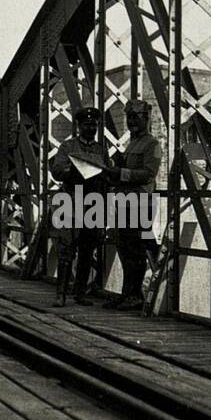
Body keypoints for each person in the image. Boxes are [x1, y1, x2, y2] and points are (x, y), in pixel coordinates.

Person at [102, 97, 162, 311]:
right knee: (124, 247)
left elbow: (148, 174)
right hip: (125, 202)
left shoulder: (152, 144)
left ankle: (134, 296)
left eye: (136, 117)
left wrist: (121, 172)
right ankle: (128, 294)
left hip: (141, 202)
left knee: (135, 250)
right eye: (129, 117)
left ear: (146, 119)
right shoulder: (133, 143)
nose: (132, 121)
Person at [48, 106, 108, 307]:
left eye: (94, 125)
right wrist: (71, 170)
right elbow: (56, 171)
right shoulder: (68, 146)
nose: (91, 128)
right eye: (87, 125)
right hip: (72, 200)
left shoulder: (101, 148)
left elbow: (106, 174)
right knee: (67, 248)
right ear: (79, 126)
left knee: (87, 248)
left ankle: (80, 293)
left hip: (93, 202)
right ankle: (61, 294)